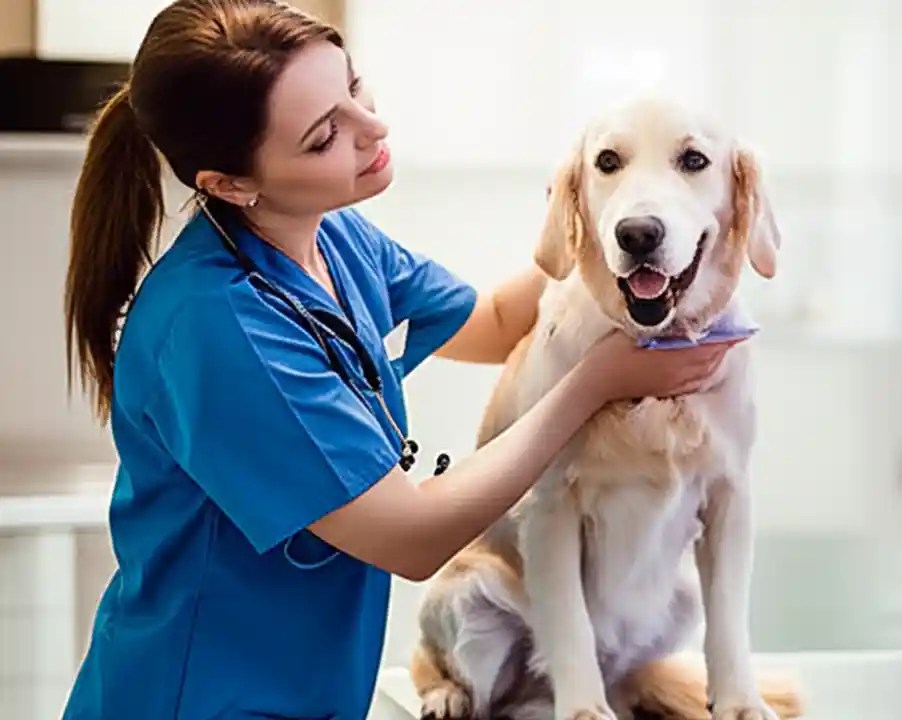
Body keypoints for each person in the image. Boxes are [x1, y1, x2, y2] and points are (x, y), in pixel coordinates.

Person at [58, 1, 739, 717]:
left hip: (309, 688)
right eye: (326, 136)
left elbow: (498, 322)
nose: (372, 128)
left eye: (354, 88)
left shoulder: (336, 240)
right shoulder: (218, 331)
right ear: (230, 184)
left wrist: (599, 215)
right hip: (198, 697)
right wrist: (598, 381)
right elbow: (412, 538)